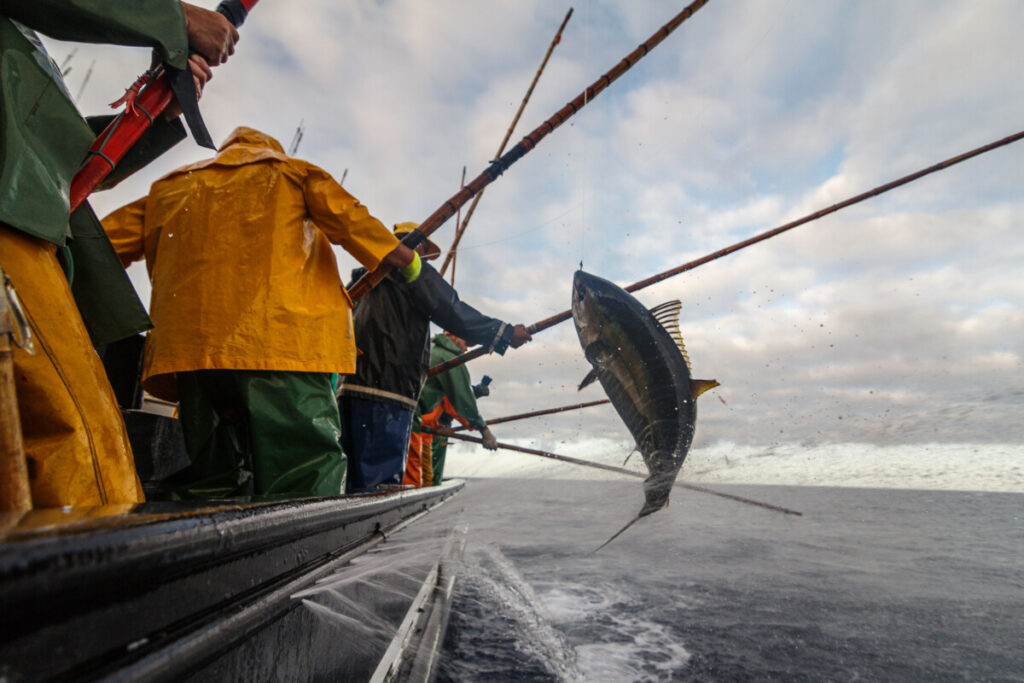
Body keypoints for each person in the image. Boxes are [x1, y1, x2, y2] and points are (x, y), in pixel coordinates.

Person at [0, 1, 237, 509]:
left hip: (30, 225)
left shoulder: (21, 53)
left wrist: (157, 115)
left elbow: (63, 165)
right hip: (13, 232)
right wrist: (172, 19)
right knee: (82, 447)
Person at [102, 127, 417, 499]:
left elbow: (100, 245)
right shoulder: (292, 171)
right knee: (302, 469)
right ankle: (303, 541)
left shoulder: (166, 188)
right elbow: (351, 219)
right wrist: (406, 260)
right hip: (281, 345)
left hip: (190, 353)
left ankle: (199, 531)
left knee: (213, 470)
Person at [337, 223, 531, 492]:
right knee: (378, 488)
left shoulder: (361, 282)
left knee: (349, 480)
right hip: (388, 397)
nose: (424, 258)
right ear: (416, 247)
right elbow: (452, 310)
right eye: (423, 251)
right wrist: (505, 333)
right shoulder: (410, 272)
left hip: (346, 392)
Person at [410, 332, 496, 487]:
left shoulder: (432, 350)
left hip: (414, 421)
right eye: (466, 343)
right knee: (415, 480)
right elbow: (461, 400)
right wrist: (483, 429)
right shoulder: (449, 358)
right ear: (453, 336)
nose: (466, 349)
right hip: (415, 424)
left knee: (418, 477)